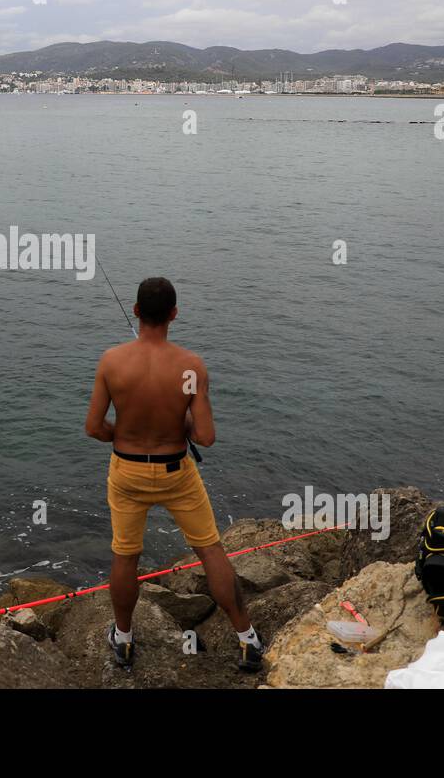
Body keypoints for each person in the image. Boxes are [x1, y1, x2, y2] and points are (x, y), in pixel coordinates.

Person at [84, 276, 262, 672]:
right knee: (211, 550)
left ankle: (125, 639)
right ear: (174, 314)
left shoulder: (112, 361)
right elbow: (206, 437)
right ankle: (247, 638)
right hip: (176, 472)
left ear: (135, 312)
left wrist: (126, 436)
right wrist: (178, 425)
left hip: (127, 471)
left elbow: (95, 427)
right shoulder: (191, 367)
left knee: (125, 556)